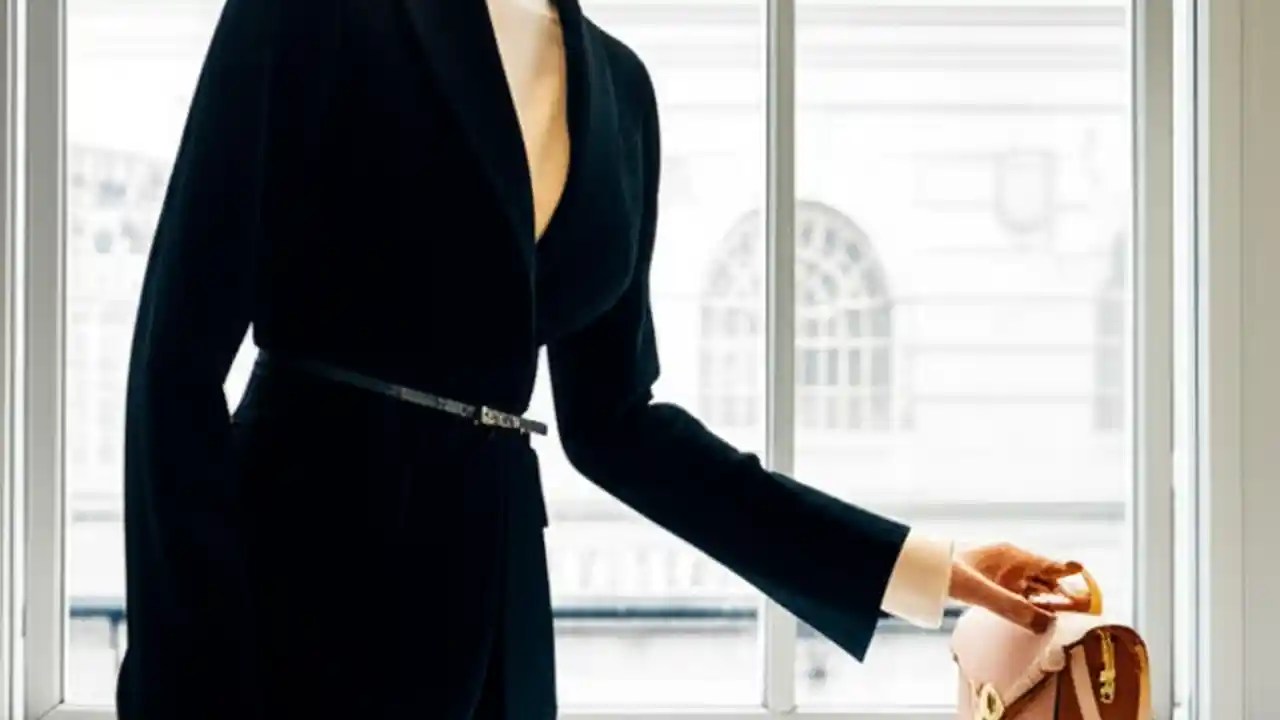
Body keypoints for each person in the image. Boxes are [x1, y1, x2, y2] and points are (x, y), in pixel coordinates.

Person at [115, 0, 1076, 717]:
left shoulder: (620, 90)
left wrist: (924, 567)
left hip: (500, 611)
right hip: (297, 584)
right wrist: (184, 673)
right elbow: (175, 359)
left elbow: (620, 427)